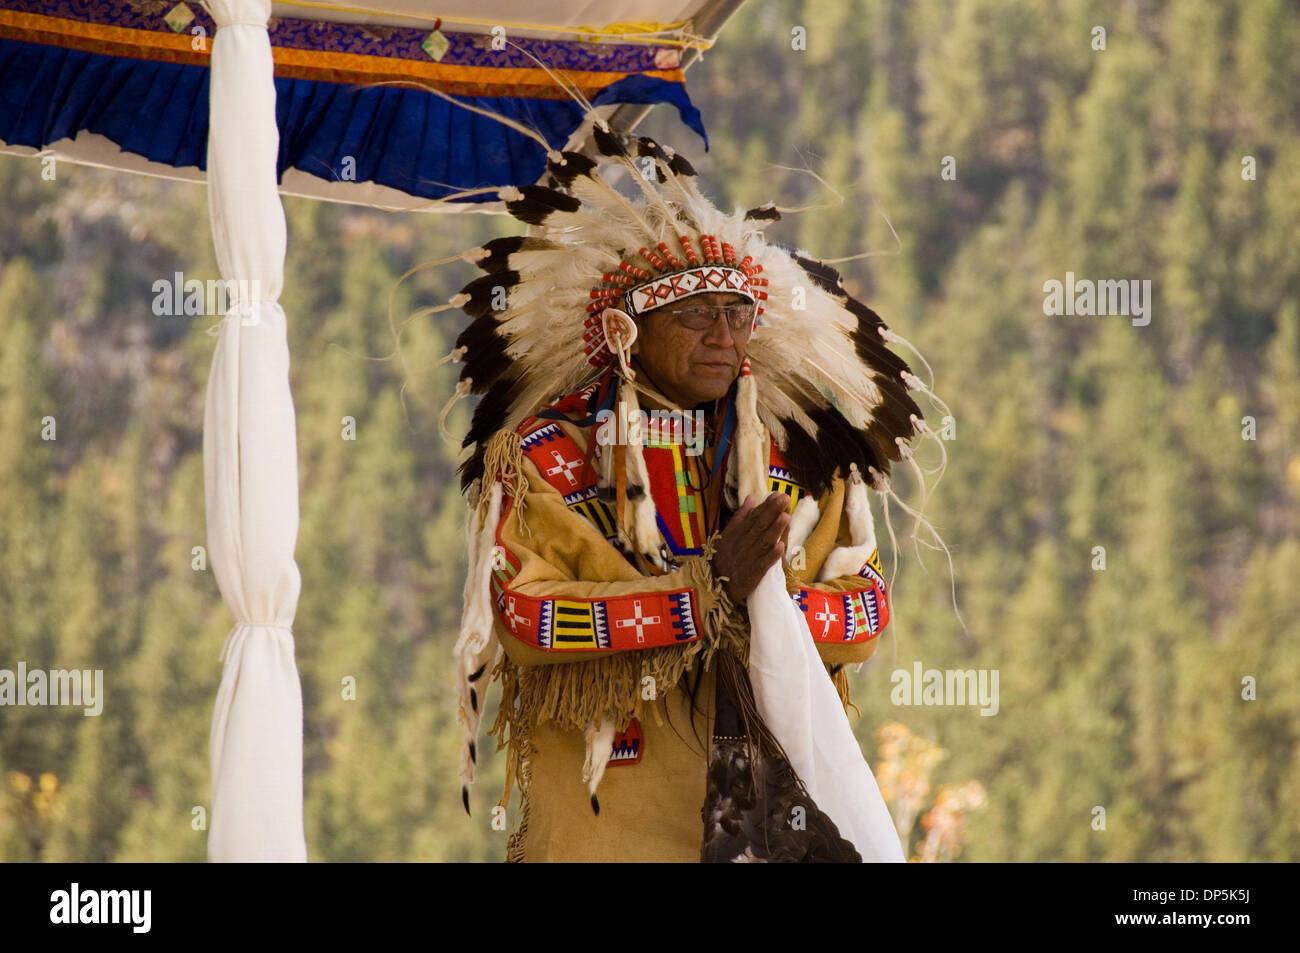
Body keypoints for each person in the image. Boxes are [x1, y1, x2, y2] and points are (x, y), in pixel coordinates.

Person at [443, 129, 936, 862]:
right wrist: (701, 595)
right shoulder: (550, 454)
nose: (723, 336)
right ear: (623, 330)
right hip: (607, 824)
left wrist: (763, 604)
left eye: (738, 315)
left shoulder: (795, 460)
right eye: (694, 314)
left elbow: (864, 609)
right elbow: (526, 616)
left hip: (771, 819)